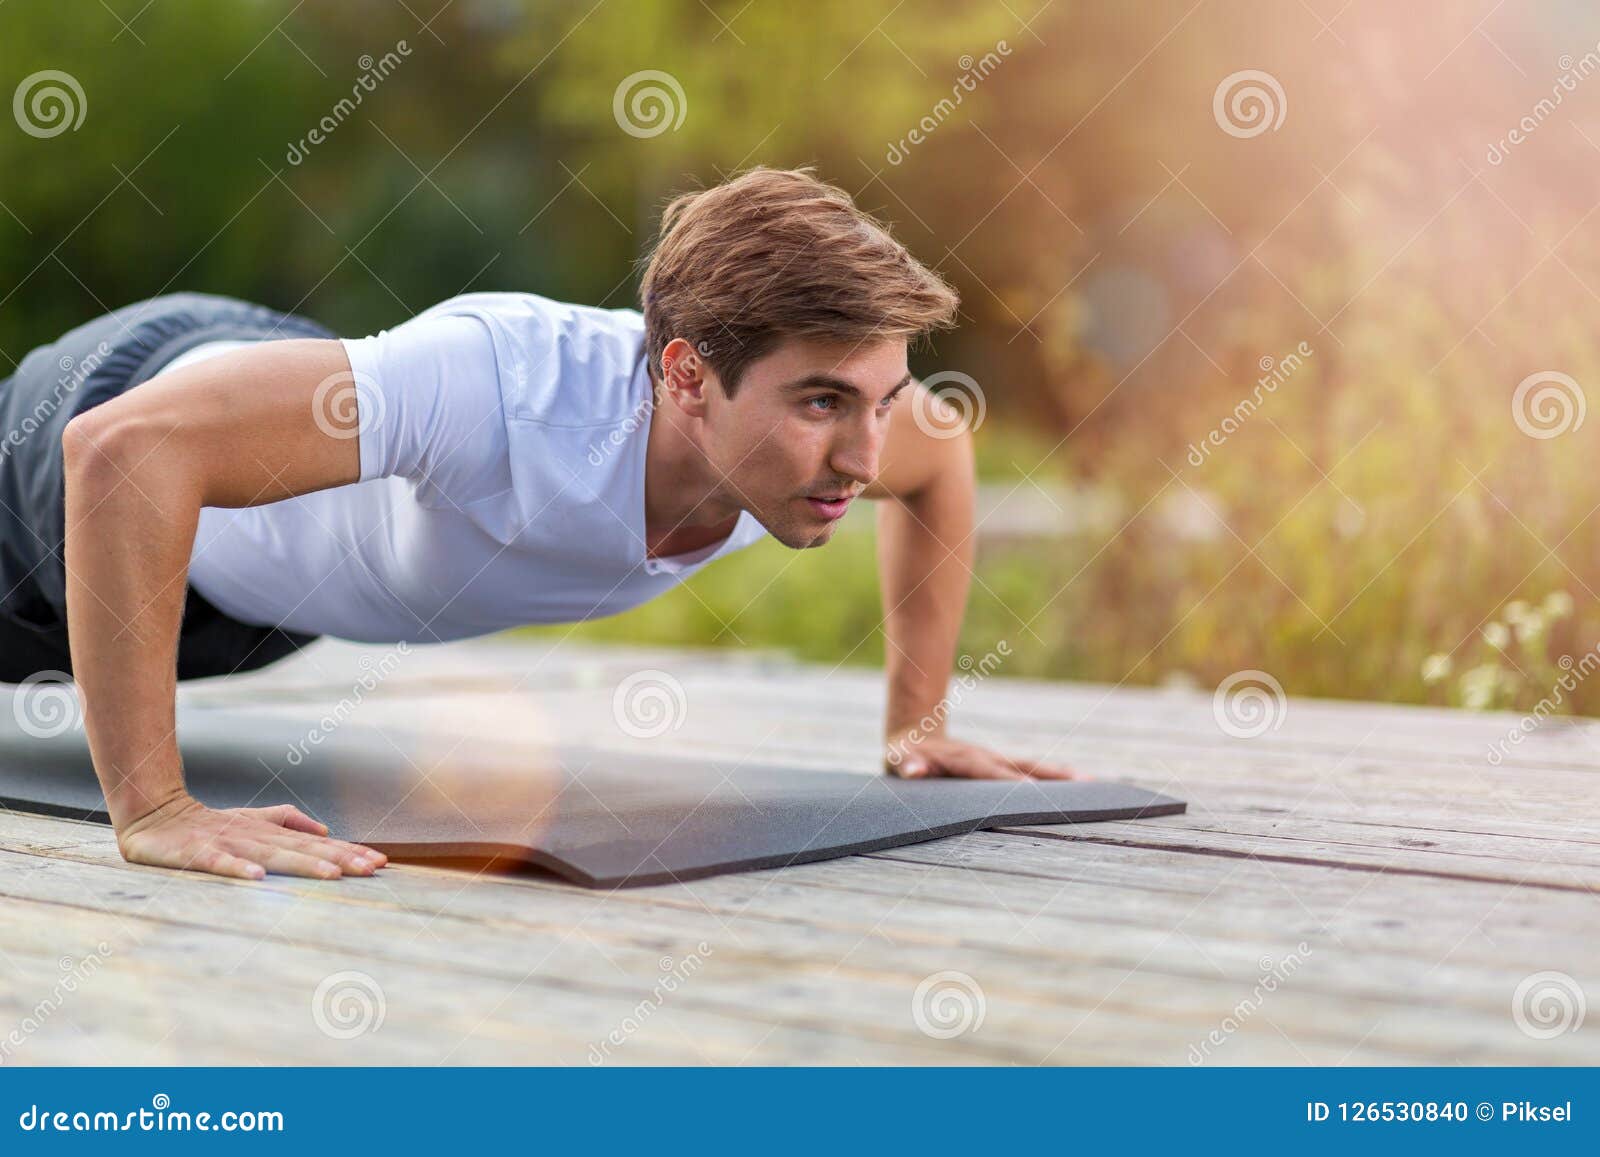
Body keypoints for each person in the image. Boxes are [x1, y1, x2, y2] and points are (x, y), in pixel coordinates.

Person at [0, 166, 1078, 883]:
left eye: (882, 397)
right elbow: (120, 449)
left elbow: (945, 463)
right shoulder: (507, 387)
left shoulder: (857, 435)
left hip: (263, 577)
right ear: (689, 378)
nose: (866, 455)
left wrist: (916, 724)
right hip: (106, 444)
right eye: (822, 404)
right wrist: (155, 809)